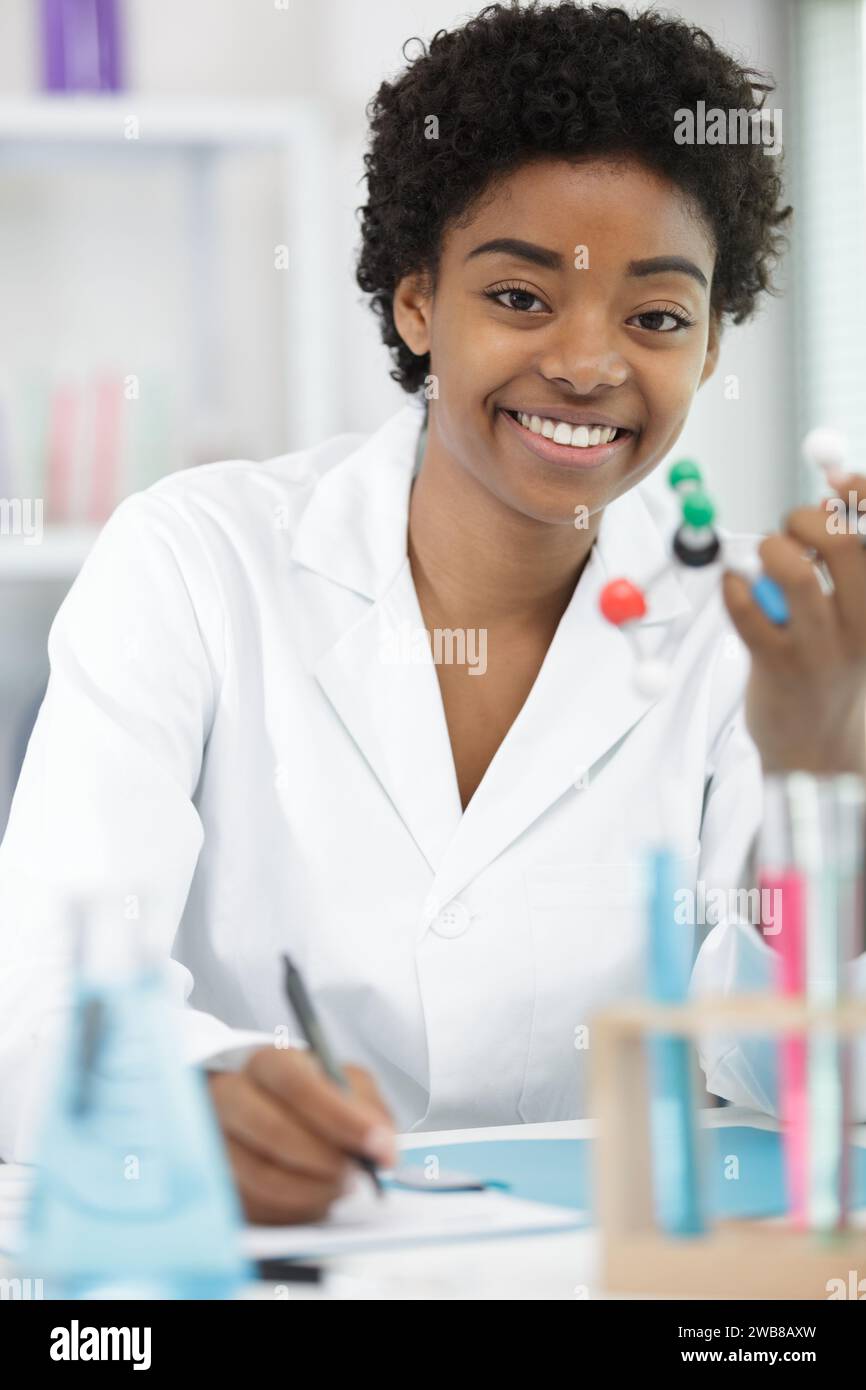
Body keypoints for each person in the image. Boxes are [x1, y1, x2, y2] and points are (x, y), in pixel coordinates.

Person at [1, 2, 865, 1224]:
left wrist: (825, 769)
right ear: (416, 304)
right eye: (518, 297)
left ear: (712, 342)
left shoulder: (755, 626)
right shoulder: (194, 562)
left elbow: (797, 1072)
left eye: (656, 316)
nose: (585, 362)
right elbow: (36, 991)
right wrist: (194, 1091)